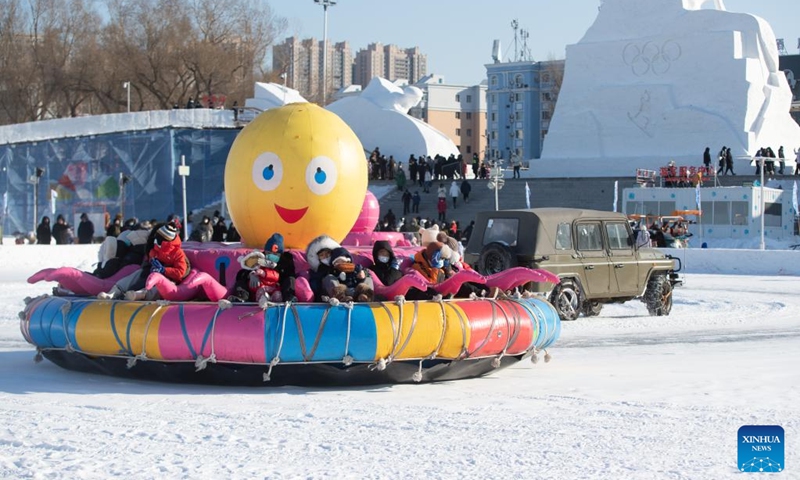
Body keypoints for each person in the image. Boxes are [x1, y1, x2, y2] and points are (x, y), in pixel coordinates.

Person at [229, 233, 284, 308]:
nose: (271, 256)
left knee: (278, 293)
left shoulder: (283, 263)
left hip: (273, 288)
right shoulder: (259, 259)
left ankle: (278, 300)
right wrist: (252, 274)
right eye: (269, 253)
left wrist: (264, 273)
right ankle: (242, 299)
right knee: (242, 283)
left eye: (275, 254)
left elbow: (279, 276)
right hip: (260, 289)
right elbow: (243, 273)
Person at [305, 235, 340, 302]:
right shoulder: (318, 271)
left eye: (327, 254)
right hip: (326, 294)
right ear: (318, 258)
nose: (325, 257)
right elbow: (315, 286)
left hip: (344, 291)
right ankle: (337, 298)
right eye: (322, 255)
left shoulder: (339, 264)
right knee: (329, 279)